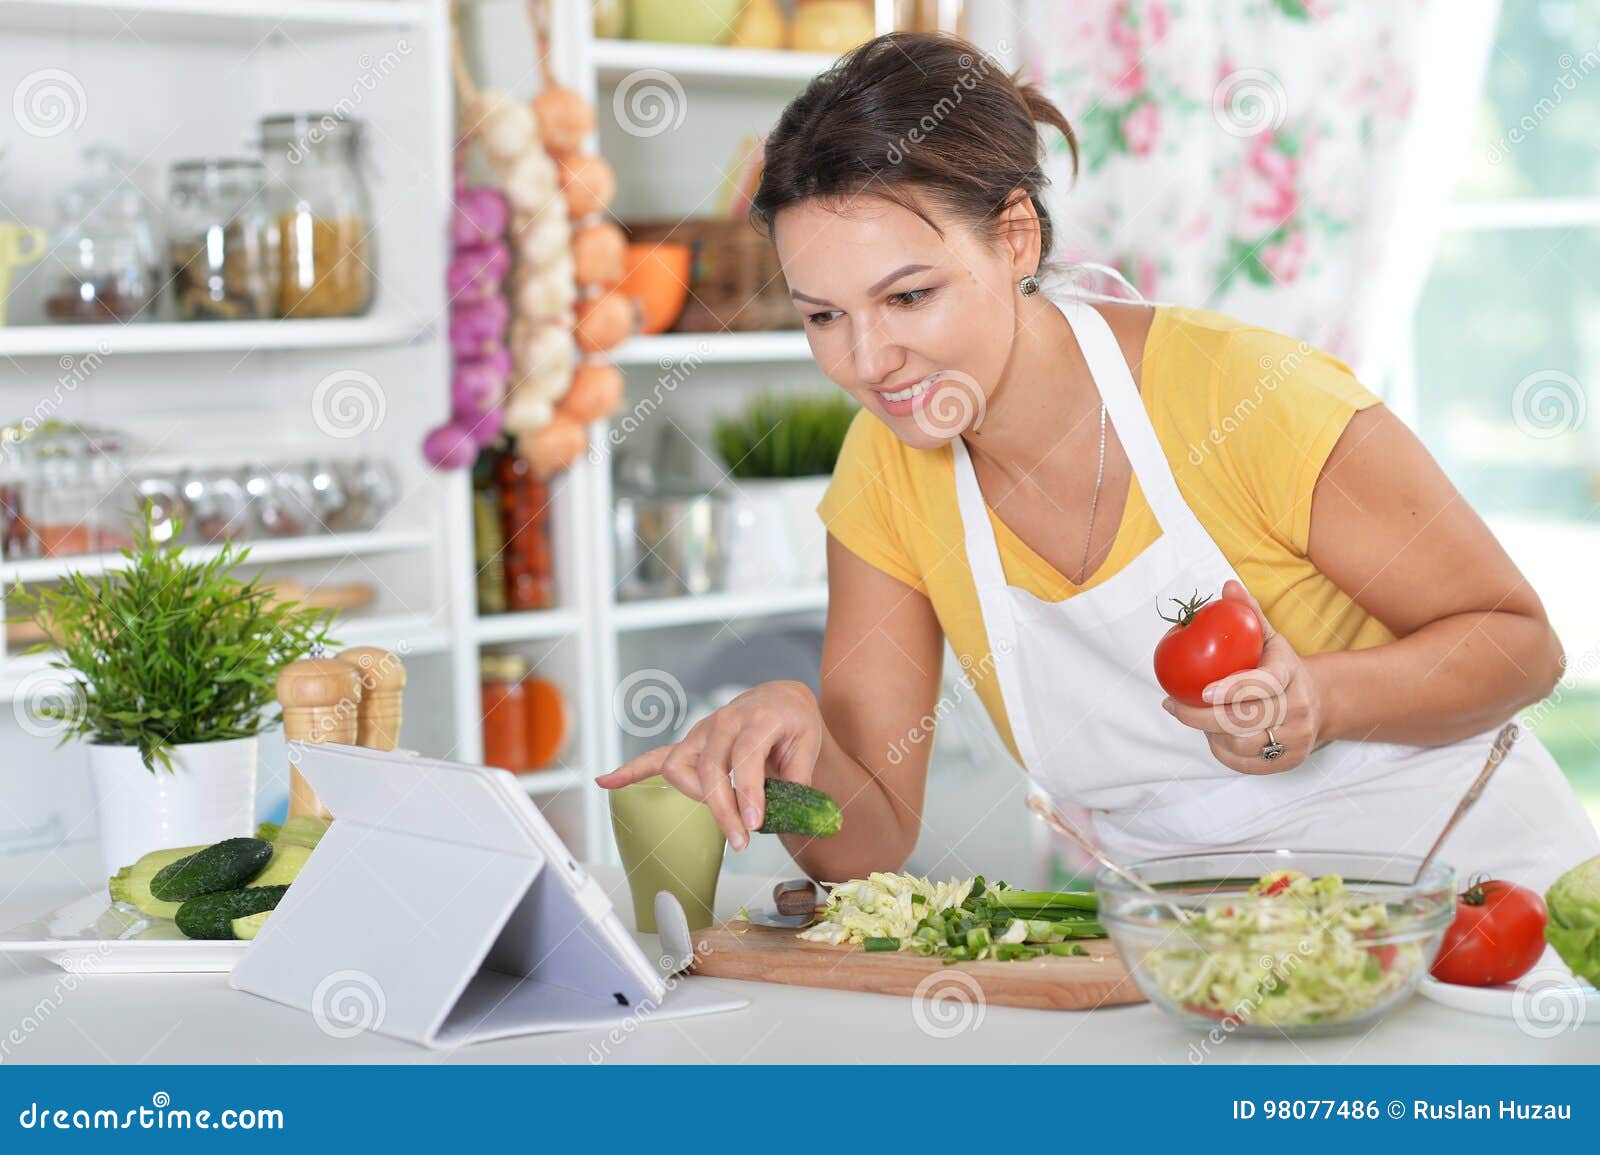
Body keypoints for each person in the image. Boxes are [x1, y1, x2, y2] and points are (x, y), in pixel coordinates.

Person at [597, 32, 1598, 892]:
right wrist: (788, 759)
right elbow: (871, 836)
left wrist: (1326, 699)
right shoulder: (887, 469)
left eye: (908, 297)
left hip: (1472, 908)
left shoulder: (1239, 394)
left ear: (1016, 237)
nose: (866, 363)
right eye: (823, 316)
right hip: (1213, 957)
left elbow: (1521, 647)